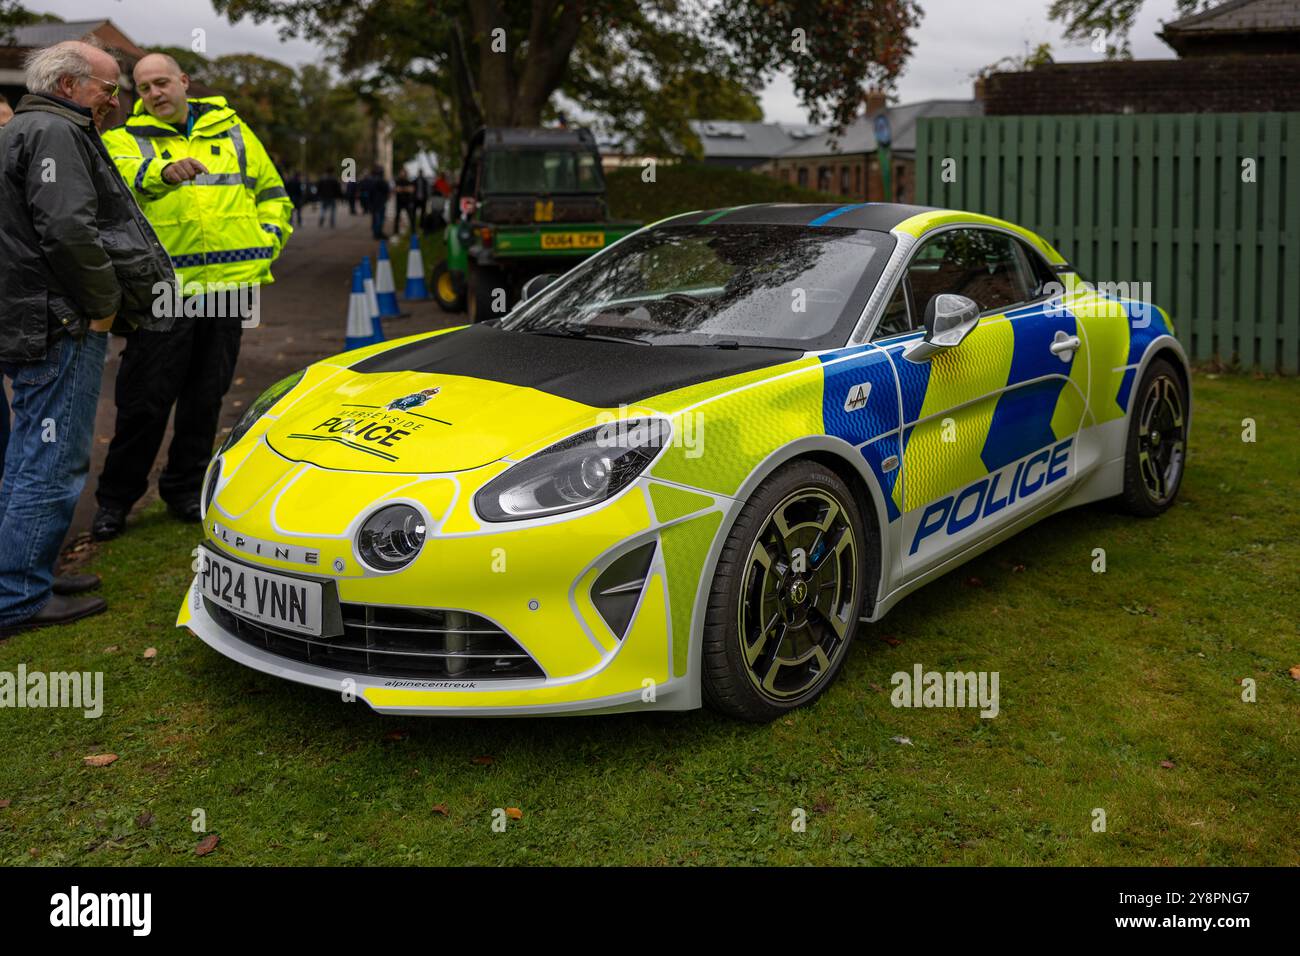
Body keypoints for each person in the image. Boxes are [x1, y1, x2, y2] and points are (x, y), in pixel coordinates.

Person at [0, 41, 176, 636]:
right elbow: (68, 228)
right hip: (61, 321)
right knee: (51, 461)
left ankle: (23, 576)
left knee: (28, 454)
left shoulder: (32, 127)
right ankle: (20, 597)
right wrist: (103, 307)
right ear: (69, 85)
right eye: (109, 86)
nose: (117, 97)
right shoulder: (53, 132)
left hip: (36, 317)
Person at [90, 52, 293, 541]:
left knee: (206, 398)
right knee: (144, 400)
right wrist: (165, 174)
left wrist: (265, 244)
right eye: (143, 88)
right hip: (166, 293)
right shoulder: (123, 140)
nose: (154, 93)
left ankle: (183, 490)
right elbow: (133, 184)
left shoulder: (235, 132)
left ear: (184, 82)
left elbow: (273, 195)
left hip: (228, 292)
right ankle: (115, 501)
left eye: (162, 82)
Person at [365, 166, 390, 239]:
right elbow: (387, 190)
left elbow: (369, 192)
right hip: (380, 202)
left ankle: (376, 233)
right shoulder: (381, 181)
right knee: (380, 219)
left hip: (374, 202)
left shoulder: (371, 180)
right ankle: (378, 233)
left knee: (375, 218)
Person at [394, 170, 415, 234]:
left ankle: (413, 230)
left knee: (411, 216)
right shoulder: (397, 181)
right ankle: (396, 231)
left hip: (407, 202)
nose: (402, 175)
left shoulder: (408, 181)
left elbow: (411, 190)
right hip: (399, 202)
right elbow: (397, 189)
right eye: (401, 173)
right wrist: (406, 189)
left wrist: (402, 189)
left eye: (403, 174)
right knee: (397, 217)